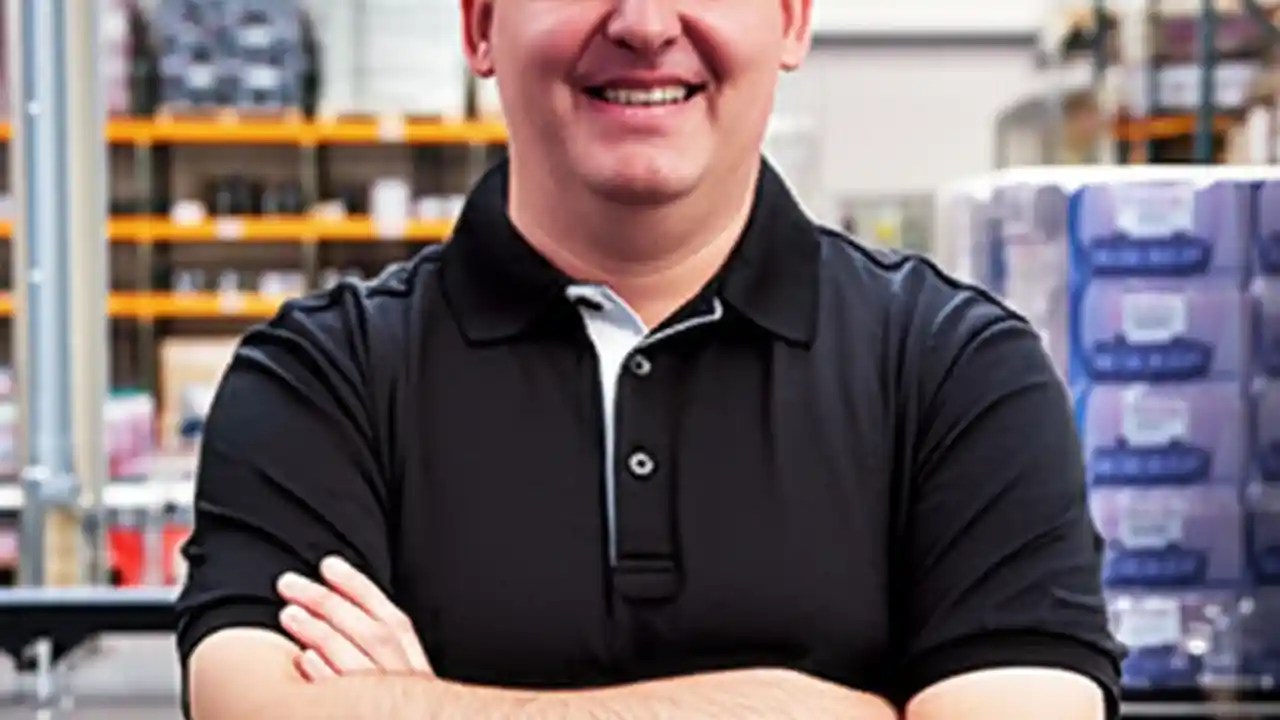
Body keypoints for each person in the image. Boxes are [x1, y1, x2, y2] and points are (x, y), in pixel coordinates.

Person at [177, 1, 1127, 718]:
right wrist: (795, 707)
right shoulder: (322, 380)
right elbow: (252, 705)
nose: (641, 25)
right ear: (478, 24)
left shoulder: (956, 374)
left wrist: (425, 703)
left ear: (792, 19)